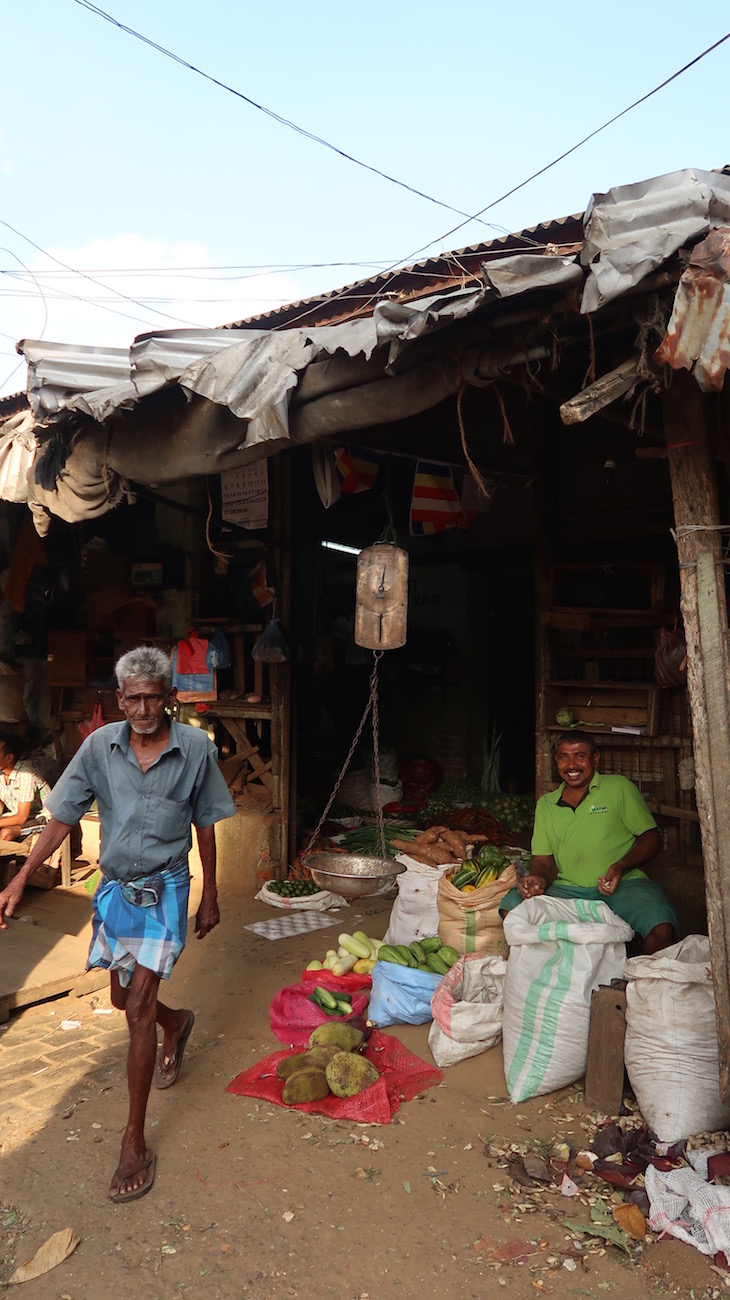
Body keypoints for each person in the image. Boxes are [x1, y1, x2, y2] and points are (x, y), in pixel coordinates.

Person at [0, 645, 236, 1204]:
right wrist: (19, 877)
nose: (143, 708)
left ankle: (134, 1141)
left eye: (154, 696)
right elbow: (59, 818)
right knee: (119, 998)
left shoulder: (197, 749)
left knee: (135, 1012)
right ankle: (175, 1025)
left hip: (167, 887)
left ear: (171, 698)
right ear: (119, 700)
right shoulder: (97, 748)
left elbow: (205, 823)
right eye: (133, 698)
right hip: (114, 890)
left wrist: (212, 895)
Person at [500, 730, 677, 954]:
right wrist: (538, 879)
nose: (571, 764)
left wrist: (620, 866)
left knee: (661, 927)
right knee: (511, 908)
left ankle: (647, 986)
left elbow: (653, 839)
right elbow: (543, 861)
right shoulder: (546, 804)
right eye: (564, 756)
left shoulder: (619, 788)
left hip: (624, 886)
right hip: (567, 890)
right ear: (556, 761)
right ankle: (544, 978)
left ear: (595, 759)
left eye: (579, 756)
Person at [0, 731, 51, 841]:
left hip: (41, 818)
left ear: (9, 758)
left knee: (6, 833)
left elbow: (22, 817)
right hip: (16, 817)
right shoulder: (1, 774)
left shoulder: (26, 774)